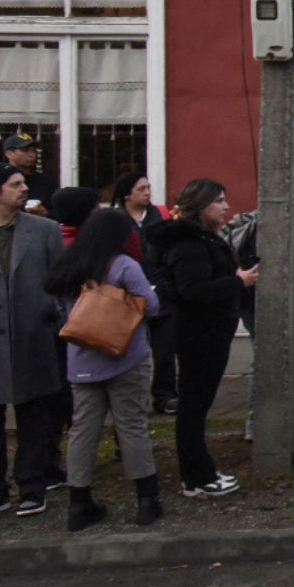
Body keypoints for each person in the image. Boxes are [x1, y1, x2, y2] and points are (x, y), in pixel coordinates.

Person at [46, 208, 162, 530]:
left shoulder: (69, 268)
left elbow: (58, 310)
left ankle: (79, 503)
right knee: (132, 425)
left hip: (81, 360)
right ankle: (146, 500)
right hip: (125, 356)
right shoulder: (124, 265)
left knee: (83, 429)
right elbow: (151, 306)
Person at [151, 178, 255, 498]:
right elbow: (193, 291)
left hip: (209, 331)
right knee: (194, 407)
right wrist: (238, 282)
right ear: (201, 206)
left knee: (197, 405)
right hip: (199, 335)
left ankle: (199, 472)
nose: (226, 207)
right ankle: (197, 477)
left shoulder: (200, 238)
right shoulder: (189, 244)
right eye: (219, 202)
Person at [0, 163, 68, 515]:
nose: (25, 188)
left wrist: (53, 317)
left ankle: (32, 486)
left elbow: (62, 283)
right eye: (15, 184)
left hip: (34, 338)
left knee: (35, 418)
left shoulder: (44, 230)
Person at [113, 171, 179, 414]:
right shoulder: (115, 219)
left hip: (160, 289)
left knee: (165, 351)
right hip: (127, 294)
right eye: (142, 189)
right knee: (130, 350)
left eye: (149, 188)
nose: (148, 193)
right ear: (127, 194)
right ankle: (132, 400)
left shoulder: (159, 215)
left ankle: (166, 396)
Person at [1, 134, 58, 215]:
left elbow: (59, 214)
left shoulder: (47, 183)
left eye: (33, 150)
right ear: (9, 154)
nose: (32, 155)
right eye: (25, 150)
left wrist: (45, 213)